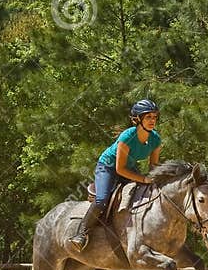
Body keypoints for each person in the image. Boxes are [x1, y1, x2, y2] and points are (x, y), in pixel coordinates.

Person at [68, 99, 162, 251]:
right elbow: (120, 169)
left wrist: (158, 179)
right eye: (148, 117)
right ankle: (81, 233)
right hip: (108, 167)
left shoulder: (155, 139)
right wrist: (144, 178)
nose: (152, 120)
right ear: (138, 119)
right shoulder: (127, 136)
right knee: (101, 199)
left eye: (154, 117)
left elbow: (154, 166)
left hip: (129, 167)